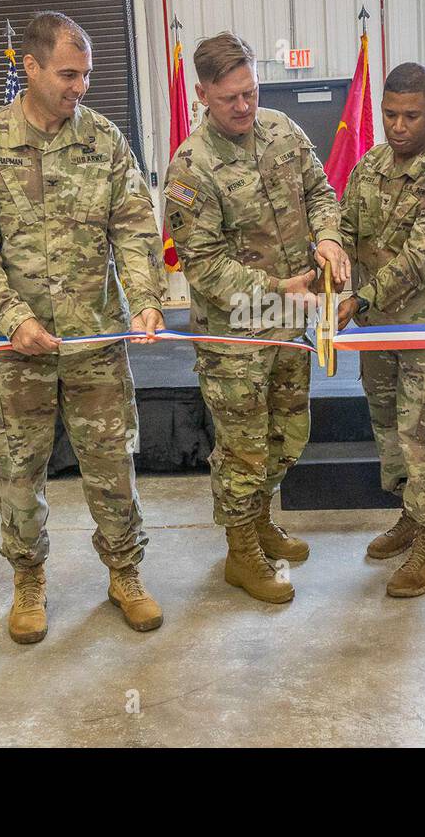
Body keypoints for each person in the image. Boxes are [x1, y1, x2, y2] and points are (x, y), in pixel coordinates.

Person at [0, 11, 167, 641]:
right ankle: (28, 580)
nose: (81, 87)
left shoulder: (105, 141)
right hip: (14, 352)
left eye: (87, 75)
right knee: (18, 473)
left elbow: (133, 228)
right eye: (69, 74)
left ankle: (125, 572)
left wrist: (147, 298)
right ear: (31, 68)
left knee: (112, 464)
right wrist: (11, 318)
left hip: (96, 340)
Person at [162, 31, 349, 603]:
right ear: (202, 95)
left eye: (250, 91)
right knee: (242, 450)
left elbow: (319, 189)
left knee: (286, 436)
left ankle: (262, 521)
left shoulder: (281, 131)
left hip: (291, 325)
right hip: (236, 338)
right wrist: (277, 288)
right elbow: (206, 267)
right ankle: (240, 552)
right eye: (229, 99)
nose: (244, 106)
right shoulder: (191, 169)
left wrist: (327, 237)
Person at [336, 62, 425, 597]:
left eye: (411, 116)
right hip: (379, 331)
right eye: (391, 115)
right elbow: (346, 224)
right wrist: (329, 258)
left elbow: (421, 259)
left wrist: (360, 297)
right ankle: (409, 516)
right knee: (390, 429)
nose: (398, 126)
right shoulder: (371, 165)